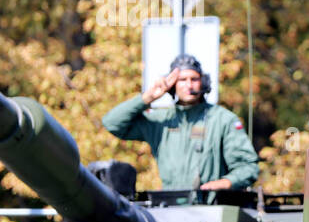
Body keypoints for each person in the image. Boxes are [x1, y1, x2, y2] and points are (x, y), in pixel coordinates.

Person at [102, 54, 259, 191]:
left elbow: (248, 167)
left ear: (203, 82)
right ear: (172, 85)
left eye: (194, 79)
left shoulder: (222, 119)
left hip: (212, 208)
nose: (189, 85)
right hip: (172, 209)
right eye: (182, 80)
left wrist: (226, 182)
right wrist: (148, 97)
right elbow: (112, 123)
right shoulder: (160, 120)